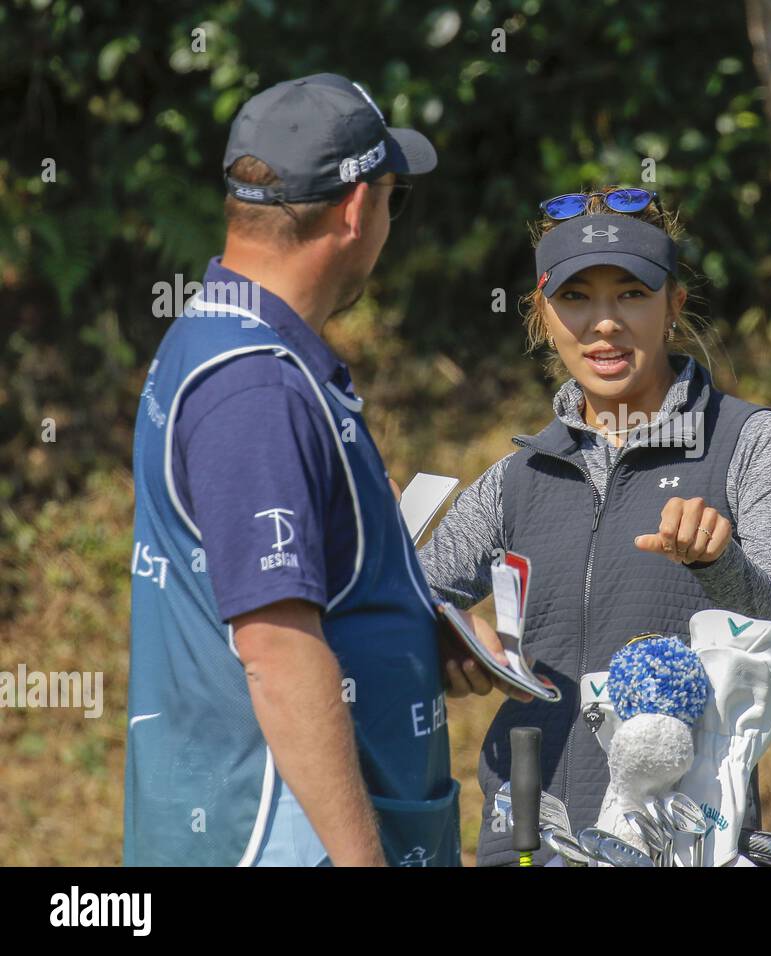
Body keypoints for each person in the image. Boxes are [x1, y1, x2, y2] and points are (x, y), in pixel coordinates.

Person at [125, 73, 512, 867]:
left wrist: (414, 626)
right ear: (357, 208)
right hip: (280, 837)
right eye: (393, 198)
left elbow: (299, 582)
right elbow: (276, 650)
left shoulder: (224, 341)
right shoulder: (257, 389)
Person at [419, 188, 771, 866]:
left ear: (673, 306)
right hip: (524, 841)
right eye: (575, 298)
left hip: (683, 841)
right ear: (542, 315)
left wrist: (719, 564)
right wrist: (444, 628)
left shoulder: (750, 441)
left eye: (631, 293)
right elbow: (403, 601)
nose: (604, 324)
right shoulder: (518, 476)